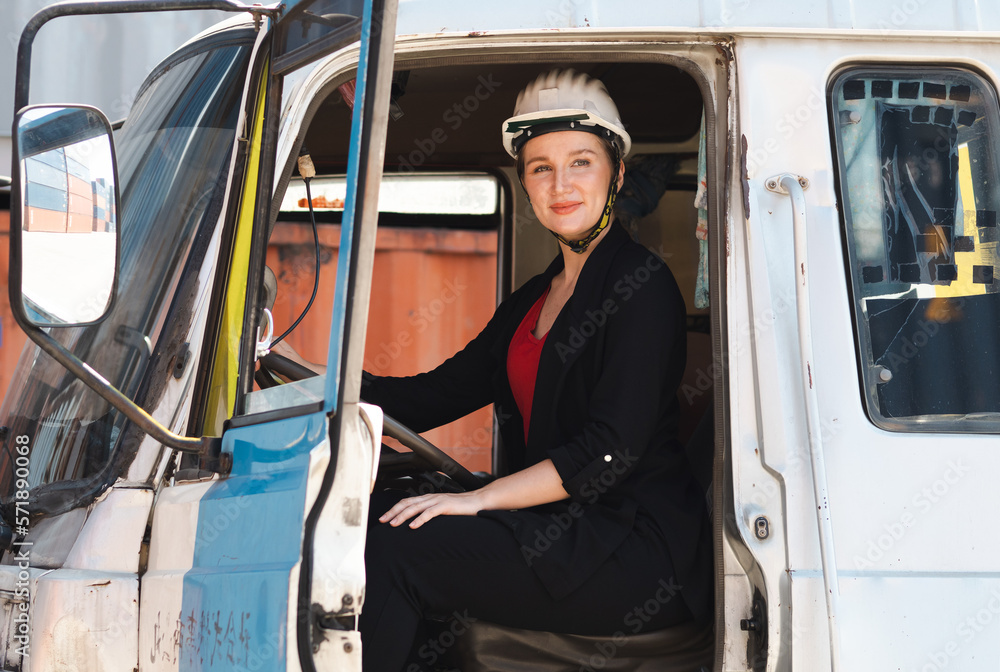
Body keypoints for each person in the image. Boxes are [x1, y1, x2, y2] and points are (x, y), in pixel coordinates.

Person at [277, 69, 712, 671]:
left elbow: (609, 453)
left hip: (632, 548)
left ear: (614, 170)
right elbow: (434, 396)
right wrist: (305, 377)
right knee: (384, 514)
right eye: (540, 168)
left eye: (580, 162)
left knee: (394, 554)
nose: (561, 184)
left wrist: (481, 500)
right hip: (566, 527)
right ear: (526, 182)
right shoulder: (535, 297)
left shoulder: (642, 285)